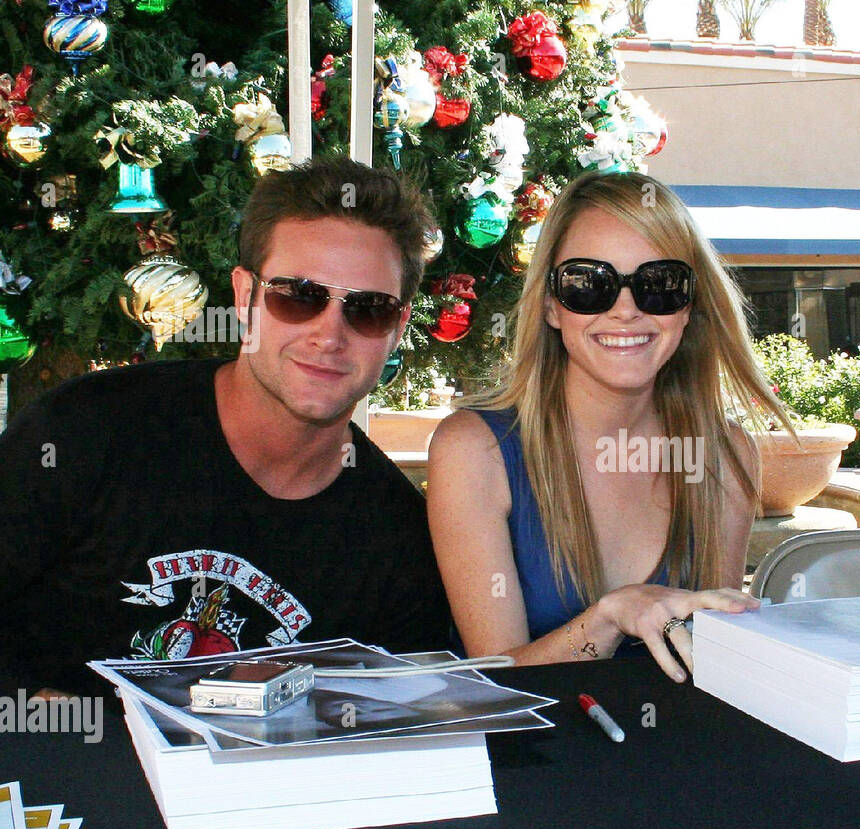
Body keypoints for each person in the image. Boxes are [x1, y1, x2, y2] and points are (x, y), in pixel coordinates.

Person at [0, 159, 451, 698]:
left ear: (398, 327)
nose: (329, 335)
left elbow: (389, 723)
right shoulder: (82, 433)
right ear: (244, 297)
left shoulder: (397, 537)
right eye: (298, 295)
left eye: (369, 309)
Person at [426, 171, 788, 682]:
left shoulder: (723, 453)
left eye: (658, 284)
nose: (625, 310)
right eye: (587, 284)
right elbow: (496, 679)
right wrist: (610, 616)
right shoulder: (475, 450)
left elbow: (706, 660)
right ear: (551, 305)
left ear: (690, 305)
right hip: (521, 756)